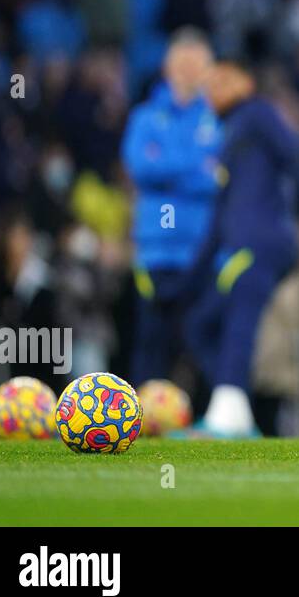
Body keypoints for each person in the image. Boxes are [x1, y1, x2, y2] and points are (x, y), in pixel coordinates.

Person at [183, 60, 299, 436]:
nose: (212, 89)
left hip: (263, 242)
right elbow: (220, 212)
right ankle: (235, 406)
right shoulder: (230, 132)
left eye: (221, 79)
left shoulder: (257, 114)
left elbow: (298, 156)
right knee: (201, 324)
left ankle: (229, 414)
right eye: (209, 82)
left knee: (240, 318)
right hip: (243, 247)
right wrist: (190, 276)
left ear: (244, 81)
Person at [120, 28, 221, 384]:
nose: (191, 71)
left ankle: (210, 429)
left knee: (205, 347)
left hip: (205, 253)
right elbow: (141, 169)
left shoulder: (218, 118)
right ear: (168, 66)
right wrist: (196, 166)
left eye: (199, 63)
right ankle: (141, 425)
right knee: (152, 343)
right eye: (184, 62)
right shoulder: (145, 118)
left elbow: (222, 177)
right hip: (156, 252)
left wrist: (168, 166)